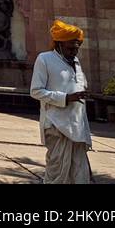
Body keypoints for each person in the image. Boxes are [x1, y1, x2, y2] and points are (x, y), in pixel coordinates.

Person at [30, 20, 92, 184]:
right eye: (71, 48)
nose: (74, 51)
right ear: (59, 44)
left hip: (77, 126)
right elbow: (36, 91)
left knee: (80, 174)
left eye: (77, 47)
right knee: (58, 173)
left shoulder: (76, 62)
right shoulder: (44, 59)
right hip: (55, 125)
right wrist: (65, 98)